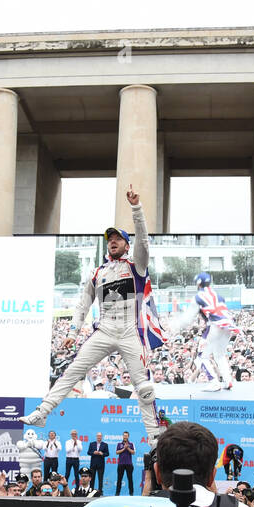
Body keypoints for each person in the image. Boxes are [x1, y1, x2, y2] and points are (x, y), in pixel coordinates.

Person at [21, 186, 163, 442]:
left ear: (126, 245)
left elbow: (143, 240)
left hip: (130, 331)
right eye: (109, 239)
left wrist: (136, 208)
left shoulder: (136, 265)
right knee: (73, 370)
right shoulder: (98, 273)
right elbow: (82, 305)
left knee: (144, 387)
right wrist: (73, 333)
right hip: (105, 330)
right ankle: (42, 412)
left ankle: (155, 438)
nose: (112, 241)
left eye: (117, 238)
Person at [172, 272, 239, 391]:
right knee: (220, 354)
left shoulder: (198, 297)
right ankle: (228, 381)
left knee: (201, 357)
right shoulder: (219, 296)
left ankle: (214, 382)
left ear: (198, 284)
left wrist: (175, 325)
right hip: (228, 326)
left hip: (214, 326)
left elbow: (187, 319)